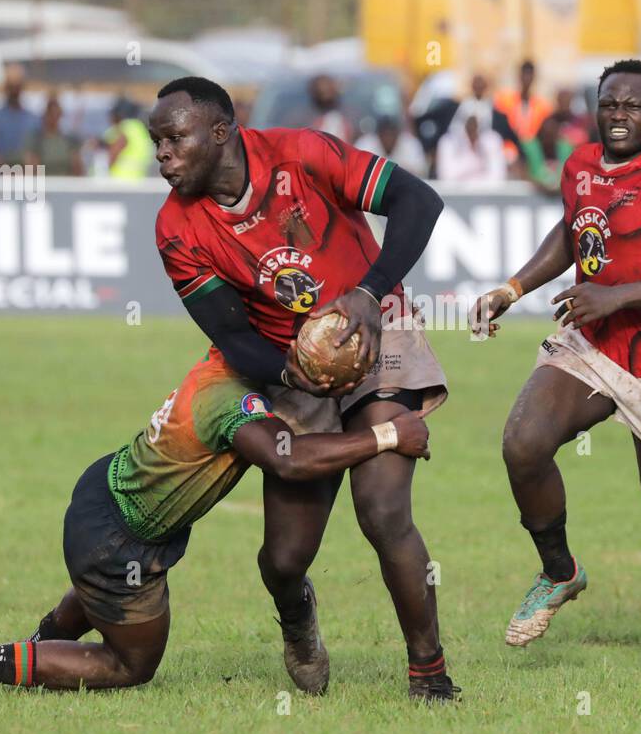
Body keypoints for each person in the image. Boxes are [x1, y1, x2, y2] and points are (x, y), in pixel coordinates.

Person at [148, 76, 459, 701]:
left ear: (220, 133)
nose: (162, 155)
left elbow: (419, 201)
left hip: (379, 331)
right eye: (157, 142)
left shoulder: (303, 153)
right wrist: (297, 371)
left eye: (174, 139)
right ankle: (298, 620)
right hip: (285, 363)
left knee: (383, 510)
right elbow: (231, 335)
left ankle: (428, 672)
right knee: (284, 560)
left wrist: (369, 294)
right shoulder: (176, 228)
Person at [0, 351, 430, 696]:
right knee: (130, 664)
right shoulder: (230, 400)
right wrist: (386, 438)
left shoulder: (221, 366)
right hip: (117, 537)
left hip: (107, 498)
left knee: (100, 596)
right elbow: (287, 458)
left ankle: (37, 646)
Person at [470, 59, 641, 669]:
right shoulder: (581, 165)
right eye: (610, 104)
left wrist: (614, 295)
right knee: (523, 442)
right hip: (590, 342)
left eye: (634, 106)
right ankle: (558, 571)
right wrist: (512, 289)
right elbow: (572, 235)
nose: (620, 115)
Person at [0, 64, 41, 167]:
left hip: (26, 178)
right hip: (0, 177)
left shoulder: (33, 120)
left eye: (17, 86)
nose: (14, 91)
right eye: (11, 87)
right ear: (6, 87)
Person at [435, 101, 507, 183]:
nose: (473, 127)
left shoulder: (492, 141)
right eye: (469, 122)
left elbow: (497, 177)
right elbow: (446, 176)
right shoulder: (448, 142)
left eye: (477, 123)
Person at [494, 59, 551, 145]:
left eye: (529, 75)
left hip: (533, 147)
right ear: (519, 76)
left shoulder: (542, 106)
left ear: (533, 77)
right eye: (524, 74)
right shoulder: (505, 101)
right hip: (510, 146)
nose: (526, 78)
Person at [25, 96, 83, 176]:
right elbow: (31, 168)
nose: (53, 118)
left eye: (56, 114)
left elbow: (77, 167)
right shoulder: (36, 141)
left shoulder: (69, 140)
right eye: (50, 114)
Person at [355, 115, 427, 177]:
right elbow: (356, 173)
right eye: (385, 134)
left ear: (397, 133)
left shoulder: (410, 143)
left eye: (391, 134)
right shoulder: (365, 144)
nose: (388, 138)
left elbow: (421, 172)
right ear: (378, 134)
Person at [519, 113, 575, 194]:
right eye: (546, 135)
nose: (548, 139)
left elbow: (573, 175)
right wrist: (540, 186)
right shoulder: (529, 148)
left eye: (551, 135)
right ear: (540, 134)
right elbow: (522, 174)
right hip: (533, 195)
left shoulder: (566, 149)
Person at [103, 97, 155, 179]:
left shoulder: (126, 127)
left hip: (120, 179)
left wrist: (104, 172)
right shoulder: (140, 128)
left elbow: (114, 153)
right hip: (137, 179)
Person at [307, 74, 351, 141]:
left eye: (328, 90)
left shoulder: (351, 114)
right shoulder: (301, 117)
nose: (324, 91)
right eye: (321, 92)